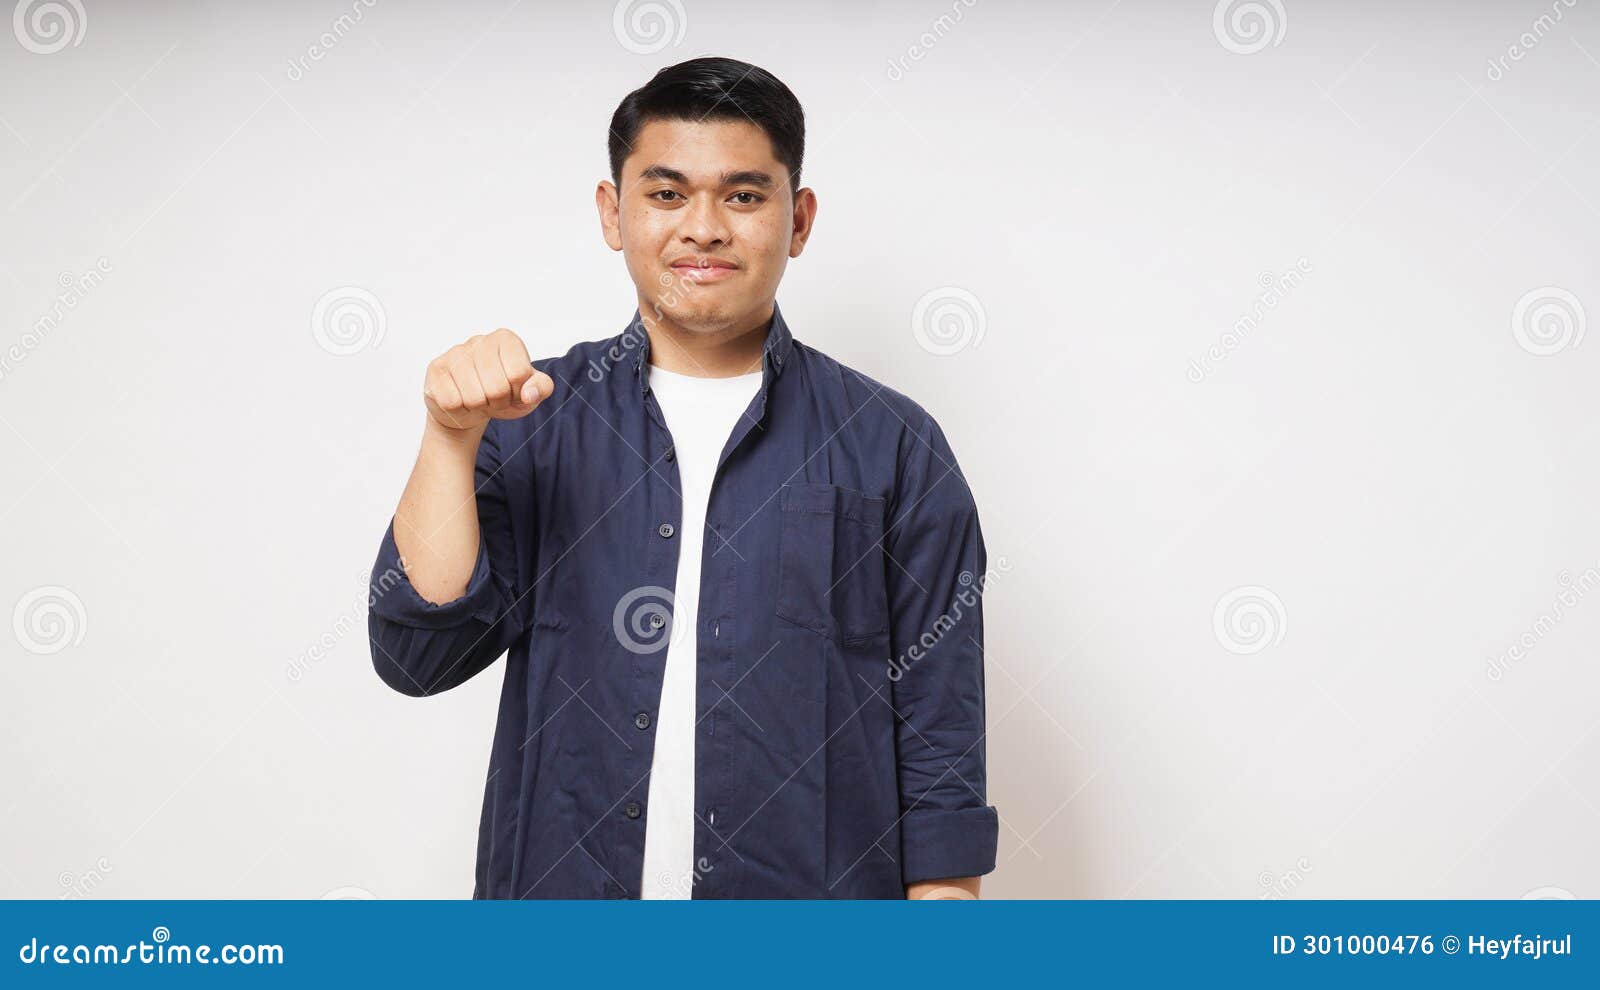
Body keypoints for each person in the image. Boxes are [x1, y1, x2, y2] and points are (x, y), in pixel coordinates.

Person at [367, 56, 997, 899]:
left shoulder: (892, 445)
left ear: (798, 218)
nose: (703, 227)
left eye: (743, 195)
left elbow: (939, 730)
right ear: (612, 212)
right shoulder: (535, 422)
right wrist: (449, 438)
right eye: (666, 194)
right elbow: (418, 655)